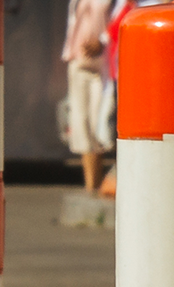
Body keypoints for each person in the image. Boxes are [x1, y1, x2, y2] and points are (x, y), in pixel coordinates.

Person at [62, 0, 113, 192]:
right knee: (80, 121)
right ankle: (91, 185)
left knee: (98, 120)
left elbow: (122, 16)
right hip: (78, 58)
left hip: (103, 61)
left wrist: (103, 40)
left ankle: (98, 183)